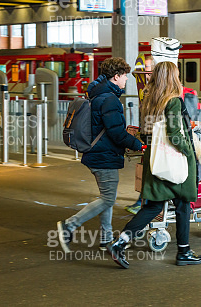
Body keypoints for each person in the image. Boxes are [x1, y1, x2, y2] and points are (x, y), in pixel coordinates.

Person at [106, 61, 201, 268]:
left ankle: (120, 242)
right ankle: (184, 252)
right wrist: (189, 152)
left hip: (155, 158)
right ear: (173, 77)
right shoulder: (173, 101)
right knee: (183, 204)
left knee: (153, 205)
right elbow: (175, 134)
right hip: (173, 159)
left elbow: (146, 132)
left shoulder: (150, 100)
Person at [57, 57, 143, 252]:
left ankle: (105, 238)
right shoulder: (109, 99)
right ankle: (69, 226)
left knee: (107, 196)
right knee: (108, 198)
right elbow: (116, 132)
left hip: (98, 152)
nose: (127, 80)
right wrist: (137, 144)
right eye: (124, 76)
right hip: (104, 154)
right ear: (116, 76)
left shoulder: (98, 93)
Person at [125, 55, 154, 215]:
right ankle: (143, 202)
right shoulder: (146, 90)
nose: (145, 75)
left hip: (156, 139)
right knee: (146, 170)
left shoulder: (156, 91)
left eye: (148, 70)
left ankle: (143, 203)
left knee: (149, 171)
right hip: (148, 137)